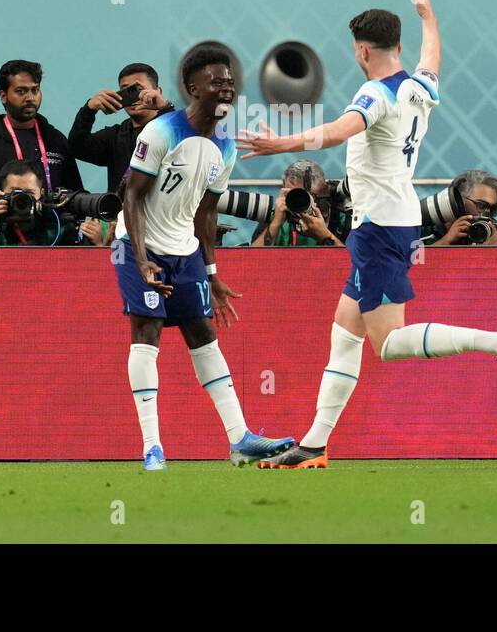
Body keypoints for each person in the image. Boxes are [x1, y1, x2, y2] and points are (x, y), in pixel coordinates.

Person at [237, 0, 497, 470]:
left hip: (379, 229)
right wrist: (427, 13)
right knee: (344, 335)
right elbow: (434, 52)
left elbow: (336, 131)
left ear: (360, 51)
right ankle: (314, 443)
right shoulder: (419, 86)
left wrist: (278, 145)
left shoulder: (376, 95)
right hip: (392, 222)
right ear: (396, 45)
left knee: (389, 345)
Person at [115, 46, 295, 470]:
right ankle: (152, 447)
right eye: (217, 81)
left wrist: (211, 273)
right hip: (138, 245)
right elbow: (132, 198)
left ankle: (240, 439)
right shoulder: (159, 133)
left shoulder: (226, 149)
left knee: (204, 335)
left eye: (229, 80)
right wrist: (141, 260)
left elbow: (206, 213)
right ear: (194, 88)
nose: (226, 86)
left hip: (186, 250)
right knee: (148, 334)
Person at [0, 59, 83, 220]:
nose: (30, 97)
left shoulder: (56, 140)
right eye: (21, 91)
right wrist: (12, 209)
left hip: (54, 238)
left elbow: (76, 195)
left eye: (35, 90)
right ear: (3, 96)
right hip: (4, 241)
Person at [68, 61, 174, 194]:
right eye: (126, 90)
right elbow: (76, 147)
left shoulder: (173, 130)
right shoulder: (115, 136)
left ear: (158, 91)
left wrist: (165, 108)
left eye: (138, 89)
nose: (134, 97)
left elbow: (189, 142)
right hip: (122, 213)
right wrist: (89, 109)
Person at [249, 159, 346, 246]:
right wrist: (276, 223)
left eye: (304, 195)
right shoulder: (278, 215)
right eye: (292, 195)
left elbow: (354, 263)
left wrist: (325, 235)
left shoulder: (342, 217)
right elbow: (252, 261)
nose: (298, 201)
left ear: (324, 190)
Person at [0, 159, 64, 245]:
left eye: (29, 193)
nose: (22, 199)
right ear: (1, 193)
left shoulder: (56, 226)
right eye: (16, 192)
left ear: (42, 194)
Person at [424, 169, 497, 246]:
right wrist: (445, 241)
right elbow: (414, 259)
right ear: (457, 201)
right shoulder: (426, 230)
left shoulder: (490, 234)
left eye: (493, 209)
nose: (487, 213)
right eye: (481, 205)